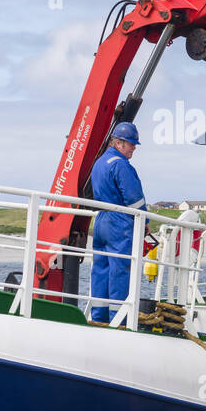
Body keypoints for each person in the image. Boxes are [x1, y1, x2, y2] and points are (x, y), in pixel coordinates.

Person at [89, 122, 147, 324]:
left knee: (101, 268)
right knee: (120, 269)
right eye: (132, 144)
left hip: (101, 220)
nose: (134, 148)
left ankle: (98, 317)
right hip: (119, 222)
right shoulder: (121, 165)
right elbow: (134, 199)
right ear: (120, 143)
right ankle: (118, 319)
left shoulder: (99, 163)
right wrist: (144, 221)